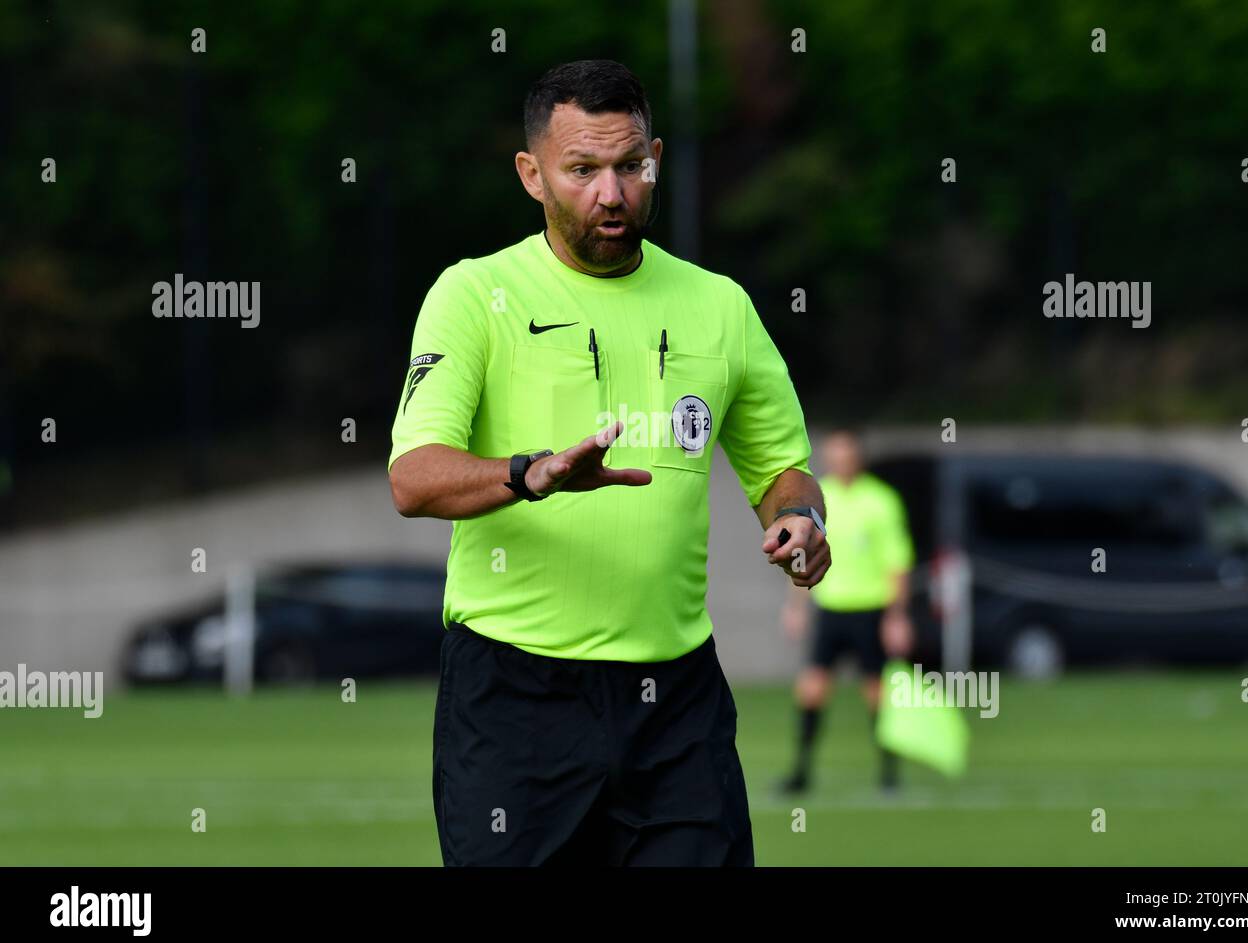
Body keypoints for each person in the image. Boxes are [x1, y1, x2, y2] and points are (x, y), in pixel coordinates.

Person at [387, 60, 829, 866]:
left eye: (630, 166)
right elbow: (413, 478)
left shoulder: (720, 305)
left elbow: (780, 470)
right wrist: (530, 474)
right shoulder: (474, 293)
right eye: (582, 170)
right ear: (532, 174)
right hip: (516, 702)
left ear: (655, 157)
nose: (611, 193)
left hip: (678, 707)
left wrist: (802, 520)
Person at [780, 429, 915, 794]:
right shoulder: (816, 497)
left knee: (876, 692)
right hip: (830, 609)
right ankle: (801, 772)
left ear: (858, 457)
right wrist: (797, 605)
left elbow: (897, 562)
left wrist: (897, 615)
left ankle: (889, 774)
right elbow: (802, 555)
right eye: (834, 454)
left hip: (870, 609)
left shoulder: (881, 501)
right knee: (811, 689)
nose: (840, 461)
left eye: (847, 454)